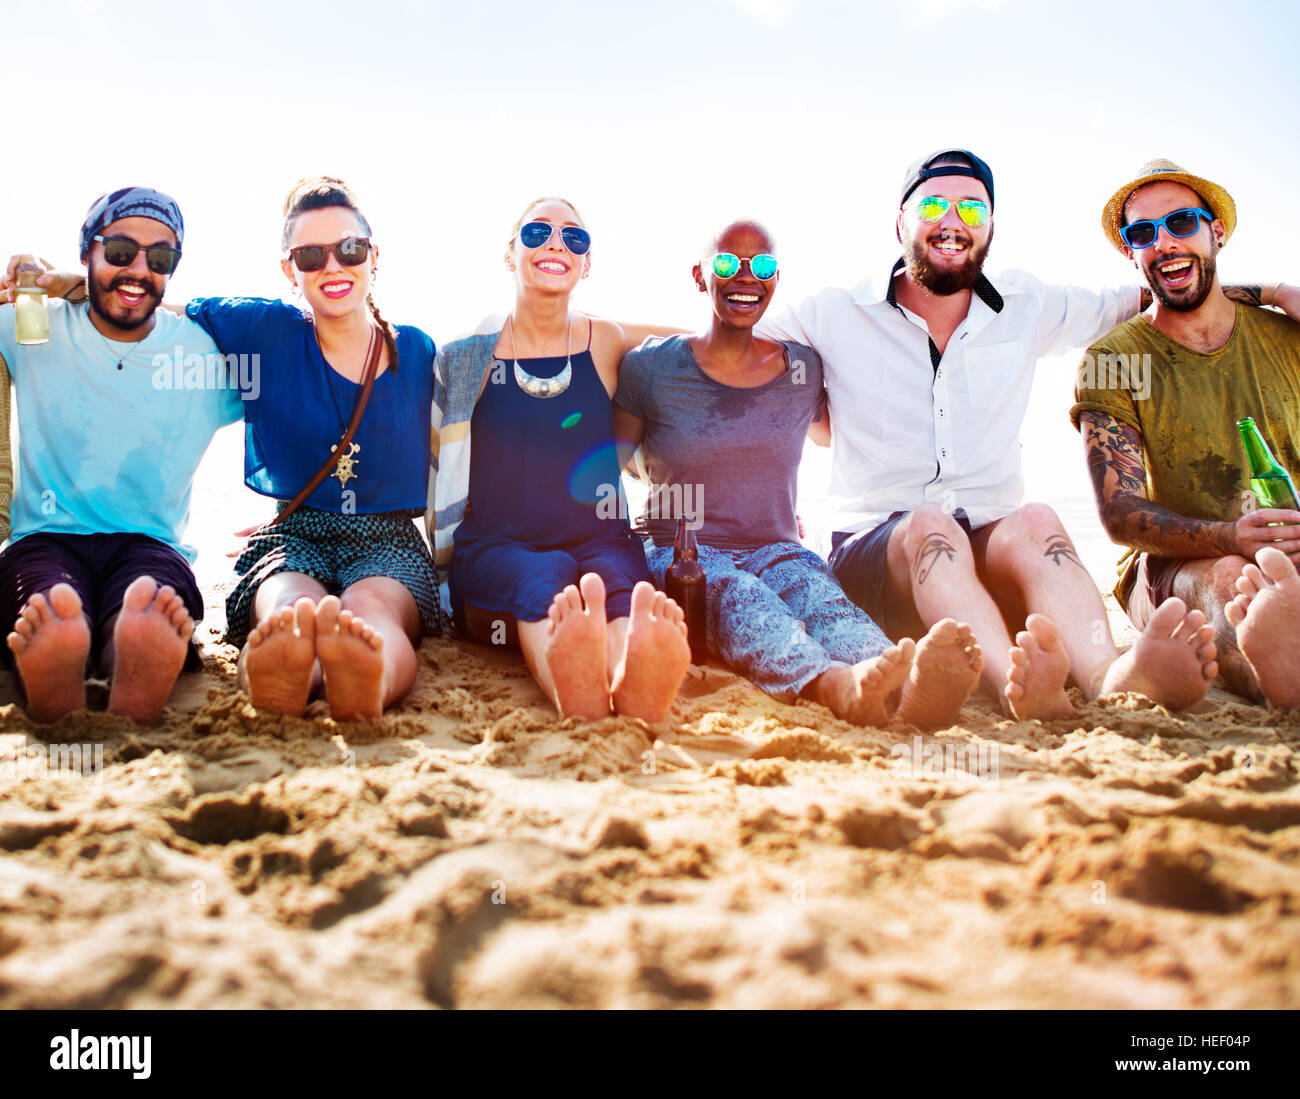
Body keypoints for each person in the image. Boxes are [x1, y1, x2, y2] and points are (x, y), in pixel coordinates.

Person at [753, 149, 1280, 719]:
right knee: (929, 524)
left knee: (1037, 520)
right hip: (876, 562)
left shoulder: (1026, 305)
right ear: (900, 223)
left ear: (991, 227)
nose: (953, 221)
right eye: (932, 204)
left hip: (985, 559)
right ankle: (1016, 682)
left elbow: (1158, 287)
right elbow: (726, 355)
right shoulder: (833, 311)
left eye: (972, 209)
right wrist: (643, 348)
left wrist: (1275, 292)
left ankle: (1109, 676)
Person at [613, 218, 982, 728]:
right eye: (727, 263)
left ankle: (903, 683)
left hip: (778, 546)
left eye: (761, 264)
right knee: (744, 599)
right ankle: (835, 687)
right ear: (700, 276)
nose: (746, 276)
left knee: (825, 601)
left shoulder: (802, 371)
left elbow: (858, 425)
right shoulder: (650, 367)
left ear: (776, 279)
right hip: (681, 554)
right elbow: (605, 468)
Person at [182, 177, 441, 720]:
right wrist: (70, 282)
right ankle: (287, 670)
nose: (332, 267)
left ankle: (368, 678)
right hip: (295, 530)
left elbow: (457, 456)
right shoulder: (269, 331)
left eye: (349, 249)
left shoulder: (415, 352)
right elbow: (158, 305)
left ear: (374, 256)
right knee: (289, 608)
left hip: (387, 535)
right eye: (310, 255)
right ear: (289, 269)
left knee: (369, 612)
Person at [429, 197, 690, 722]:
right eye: (537, 232)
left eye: (575, 238)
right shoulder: (466, 356)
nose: (556, 244)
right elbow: (409, 450)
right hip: (498, 547)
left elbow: (694, 345)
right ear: (510, 254)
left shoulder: (606, 341)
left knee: (620, 584)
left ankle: (629, 685)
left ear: (586, 264)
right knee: (543, 576)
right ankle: (572, 690)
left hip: (600, 537)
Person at [0, 188, 242, 723]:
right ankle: (62, 658)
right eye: (119, 252)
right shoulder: (30, 325)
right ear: (87, 251)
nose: (138, 270)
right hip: (44, 536)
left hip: (149, 542)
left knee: (149, 597)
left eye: (159, 259)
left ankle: (129, 658)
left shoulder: (202, 352)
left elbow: (289, 378)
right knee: (46, 596)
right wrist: (33, 274)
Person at [1072, 159, 1300, 709]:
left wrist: (1277, 289)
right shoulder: (1112, 358)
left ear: (1214, 231)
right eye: (1144, 233)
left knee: (1274, 581)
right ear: (1131, 251)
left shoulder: (1285, 332)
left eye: (1181, 224)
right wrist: (1231, 537)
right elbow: (1119, 512)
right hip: (1176, 565)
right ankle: (1278, 670)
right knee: (1229, 582)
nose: (1165, 243)